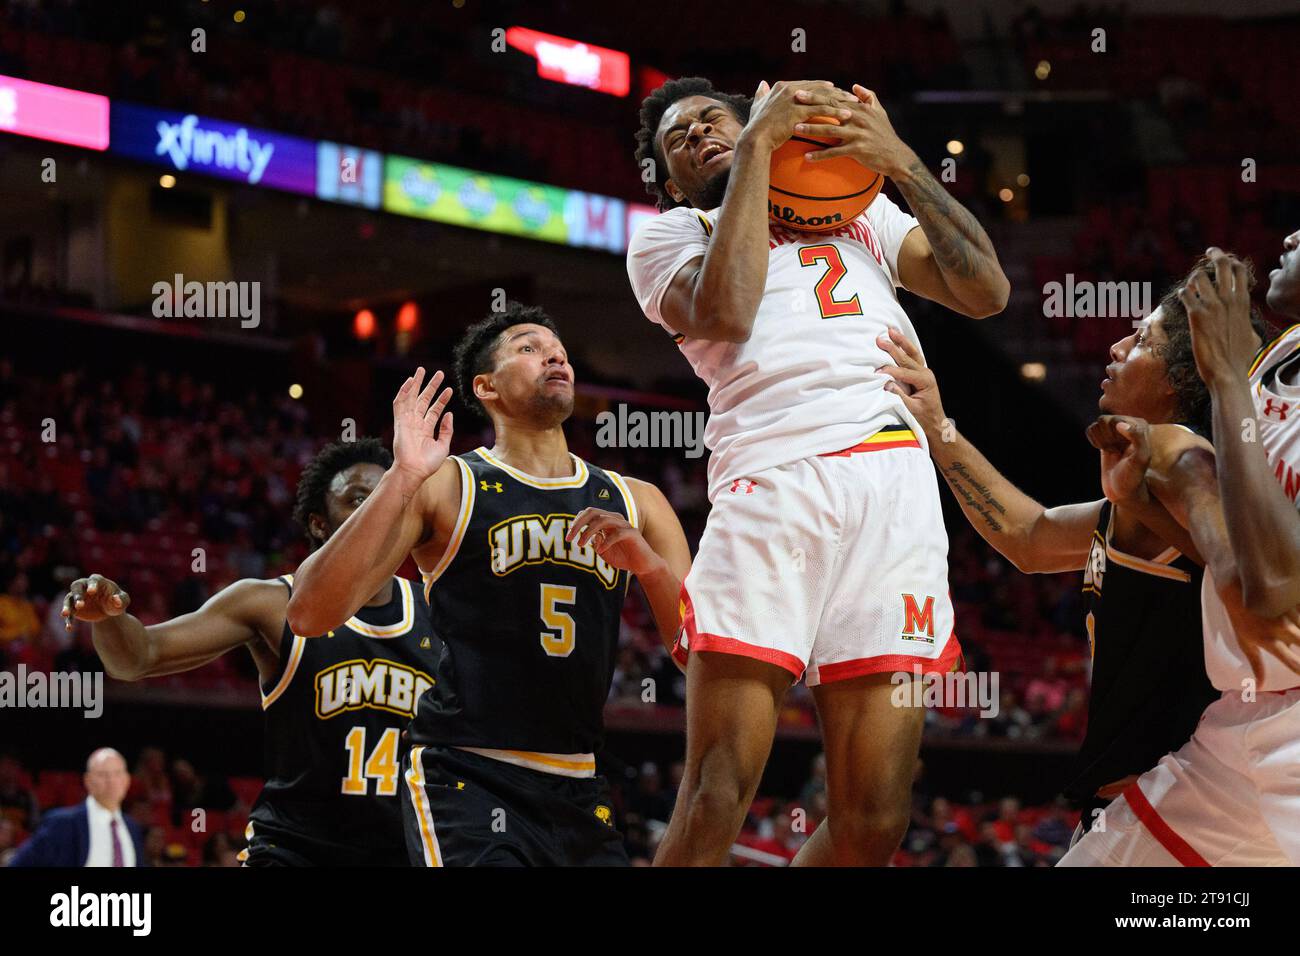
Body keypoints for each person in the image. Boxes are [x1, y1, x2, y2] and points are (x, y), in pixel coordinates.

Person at [626, 76, 1008, 865]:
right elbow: (727, 312)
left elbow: (987, 292)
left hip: (895, 493)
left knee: (875, 816)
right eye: (679, 139)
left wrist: (901, 161)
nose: (699, 134)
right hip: (774, 483)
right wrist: (759, 143)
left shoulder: (859, 209)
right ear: (669, 179)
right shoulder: (671, 234)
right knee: (717, 792)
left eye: (712, 119)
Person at [875, 259, 1274, 840]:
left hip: (1178, 802)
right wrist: (938, 426)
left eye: (1140, 339)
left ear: (1179, 380)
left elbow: (1252, 580)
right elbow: (1029, 537)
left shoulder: (1187, 460)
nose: (1115, 346)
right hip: (1178, 807)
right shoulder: (1147, 493)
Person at [288, 302, 693, 866]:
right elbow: (309, 612)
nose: (554, 354)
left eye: (560, 350)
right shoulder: (449, 484)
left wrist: (650, 570)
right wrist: (403, 475)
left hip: (580, 785)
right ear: (486, 387)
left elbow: (698, 657)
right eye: (528, 348)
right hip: (467, 775)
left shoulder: (636, 500)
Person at [63, 438, 438, 866]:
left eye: (389, 496)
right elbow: (138, 656)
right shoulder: (269, 603)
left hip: (404, 854)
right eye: (357, 499)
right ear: (318, 523)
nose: (376, 511)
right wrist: (109, 618)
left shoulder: (442, 612)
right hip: (292, 852)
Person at [1060, 237, 1300, 865]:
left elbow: (1273, 589)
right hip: (1242, 723)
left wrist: (1196, 464)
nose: (1292, 236)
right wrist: (1144, 501)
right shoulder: (1276, 359)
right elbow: (1237, 559)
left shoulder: (1237, 381)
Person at [9, 747, 144, 867]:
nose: (111, 781)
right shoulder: (62, 823)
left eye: (117, 773)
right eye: (103, 774)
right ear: (88, 781)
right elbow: (21, 862)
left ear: (127, 780)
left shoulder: (132, 827)